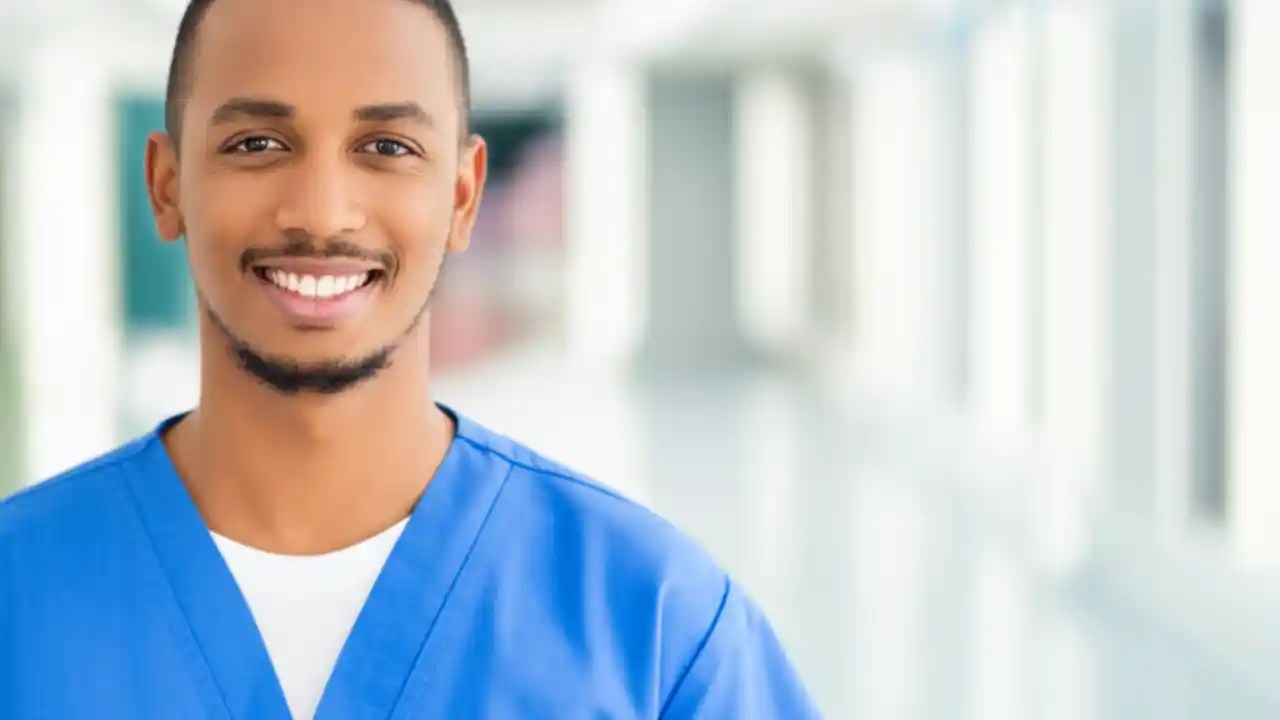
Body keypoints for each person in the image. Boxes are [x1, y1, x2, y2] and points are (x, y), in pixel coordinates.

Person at [0, 0, 820, 717]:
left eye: (387, 147)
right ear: (166, 185)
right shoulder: (18, 597)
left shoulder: (656, 631)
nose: (321, 212)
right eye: (257, 142)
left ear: (462, 196)